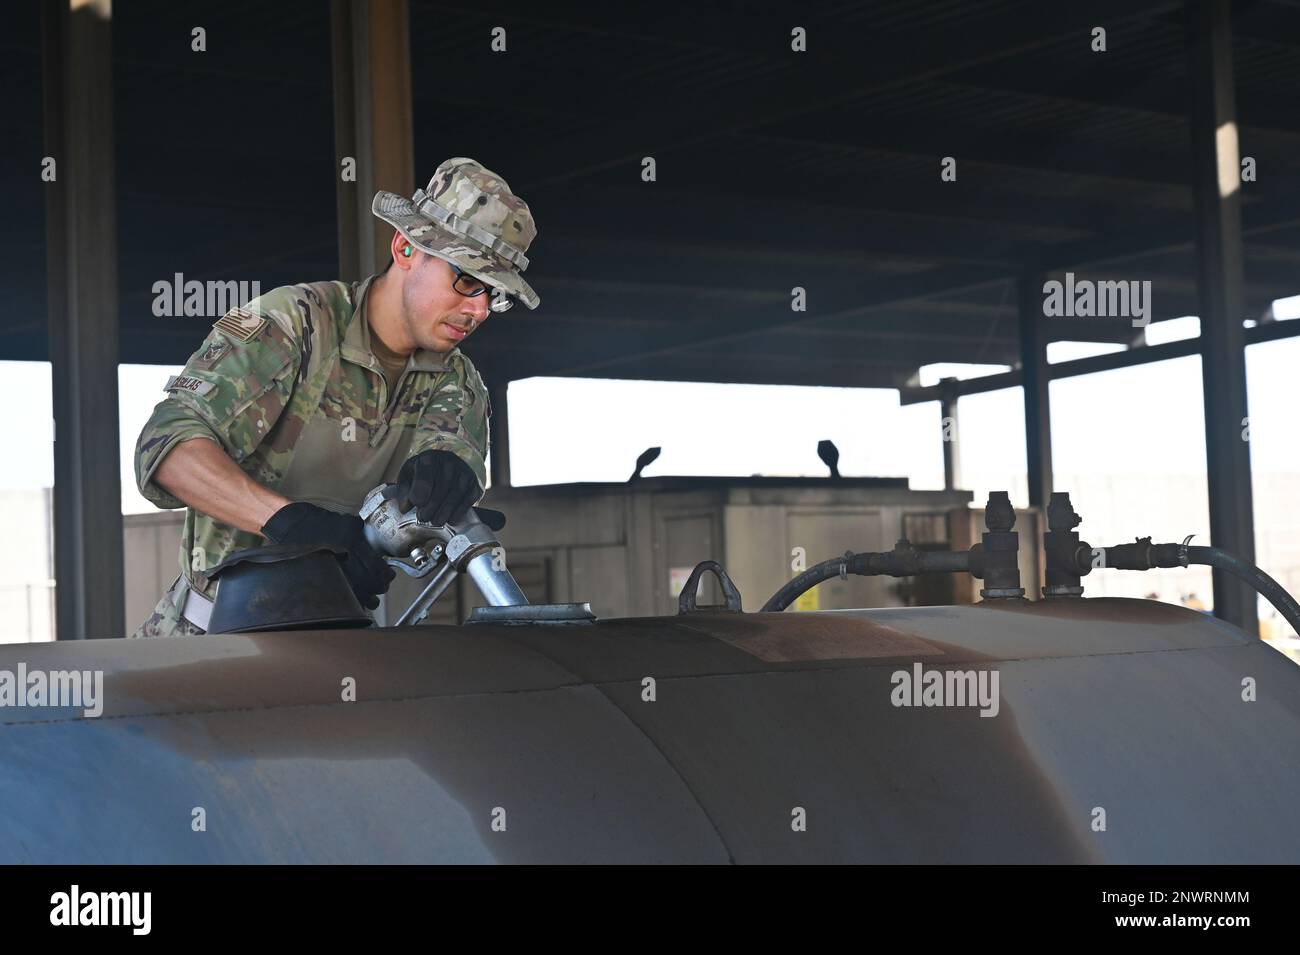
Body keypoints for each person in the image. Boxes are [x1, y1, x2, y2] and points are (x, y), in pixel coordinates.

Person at [130, 157, 540, 637]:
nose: (478, 309)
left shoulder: (458, 383)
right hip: (210, 642)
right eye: (467, 280)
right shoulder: (295, 326)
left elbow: (447, 459)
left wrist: (448, 481)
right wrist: (289, 522)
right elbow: (165, 447)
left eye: (495, 294)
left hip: (341, 644)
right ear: (406, 248)